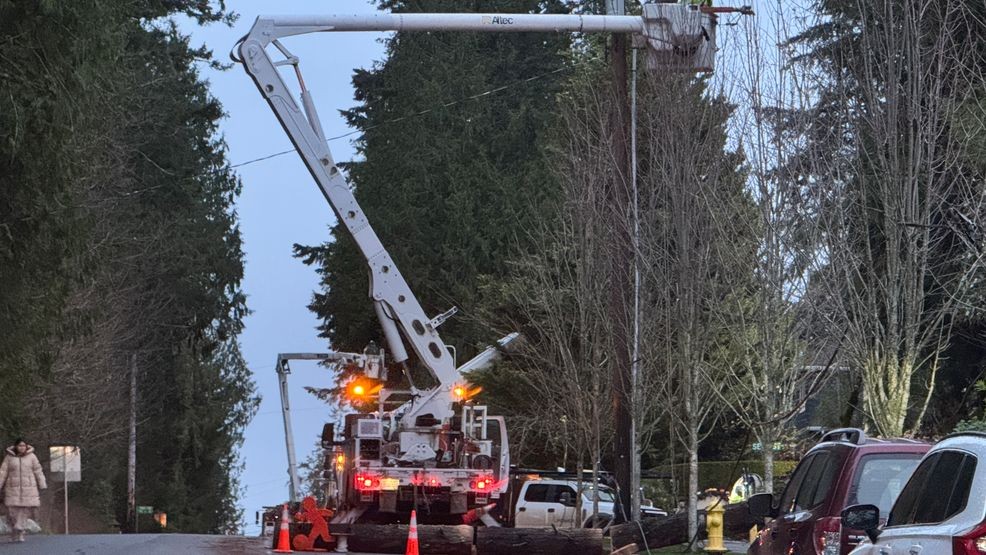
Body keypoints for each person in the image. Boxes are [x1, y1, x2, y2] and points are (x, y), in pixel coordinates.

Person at [0, 438, 47, 542]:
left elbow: (38, 470)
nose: (22, 448)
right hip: (12, 488)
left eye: (23, 446)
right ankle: (14, 531)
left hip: (28, 489)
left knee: (24, 511)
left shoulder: (32, 457)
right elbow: (3, 472)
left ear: (26, 447)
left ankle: (20, 532)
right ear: (16, 446)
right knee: (12, 512)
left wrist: (42, 483)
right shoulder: (9, 457)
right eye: (20, 446)